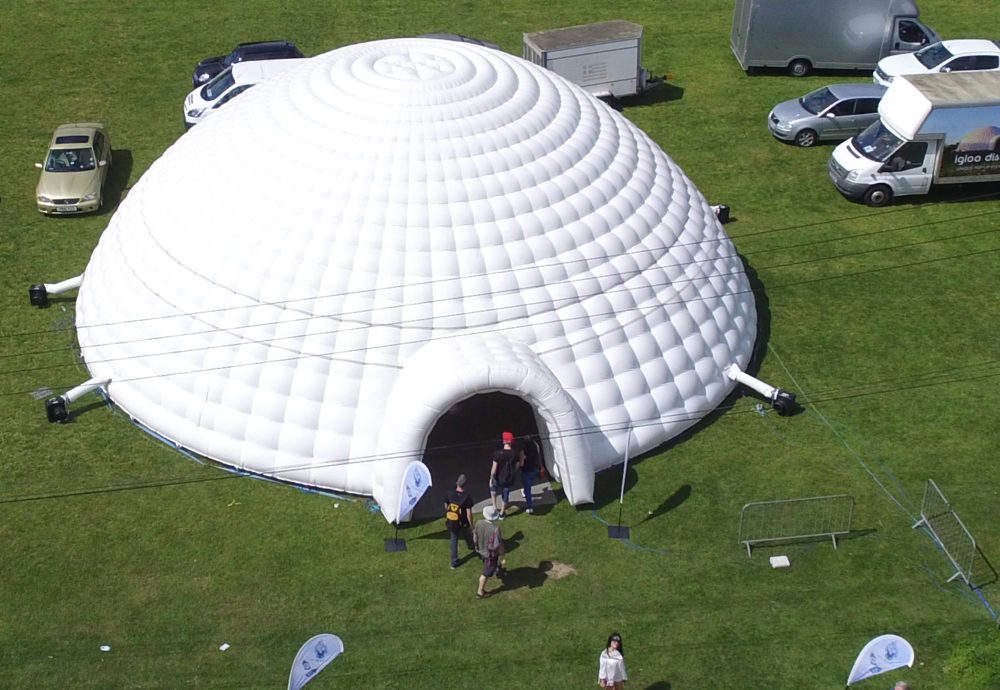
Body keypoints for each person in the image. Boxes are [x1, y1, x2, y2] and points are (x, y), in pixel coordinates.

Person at [443, 473, 474, 569]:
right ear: (465, 485)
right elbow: (469, 514)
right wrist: (471, 525)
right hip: (463, 521)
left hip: (452, 521)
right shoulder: (467, 497)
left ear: (457, 482)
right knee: (468, 533)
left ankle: (454, 562)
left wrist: (448, 513)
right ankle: (472, 546)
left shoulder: (449, 492)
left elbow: (446, 504)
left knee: (454, 540)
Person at [473, 505, 505, 598]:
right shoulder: (495, 529)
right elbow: (498, 544)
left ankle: (496, 569)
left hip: (481, 550)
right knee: (486, 573)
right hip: (490, 555)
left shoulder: (478, 522)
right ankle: (480, 592)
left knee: (489, 564)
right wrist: (502, 553)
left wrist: (476, 547)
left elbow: (475, 537)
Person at [489, 431, 517, 517]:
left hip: (497, 477)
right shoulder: (514, 453)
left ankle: (494, 507)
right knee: (505, 494)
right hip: (508, 478)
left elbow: (494, 469)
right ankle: (502, 512)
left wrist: (491, 478)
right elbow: (517, 465)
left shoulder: (497, 453)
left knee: (493, 489)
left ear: (504, 441)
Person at [520, 434, 542, 514]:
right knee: (528, 485)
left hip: (527, 472)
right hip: (535, 469)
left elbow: (521, 464)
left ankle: (530, 507)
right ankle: (524, 491)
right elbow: (538, 455)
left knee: (528, 491)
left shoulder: (523, 451)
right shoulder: (536, 447)